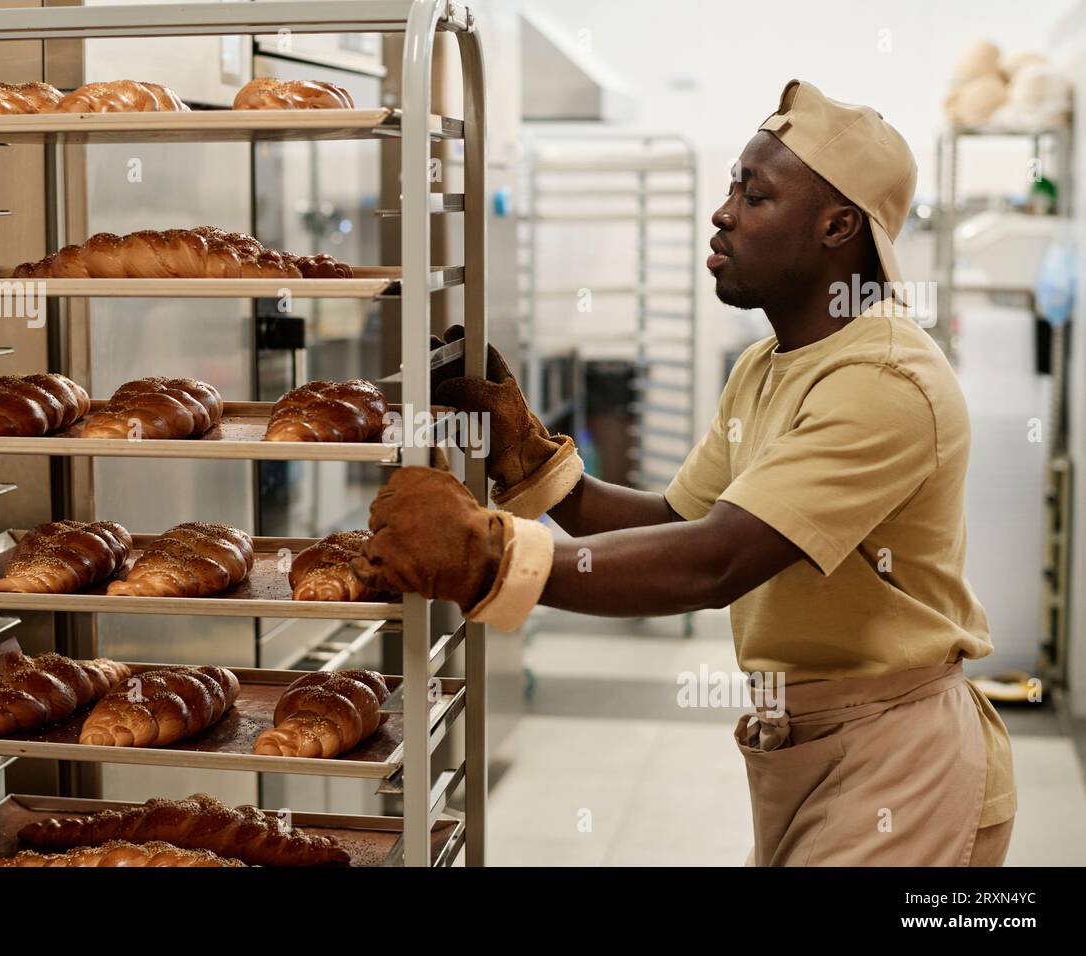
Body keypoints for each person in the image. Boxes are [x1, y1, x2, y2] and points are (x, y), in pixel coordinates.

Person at [351, 79, 1016, 866]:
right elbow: (678, 524)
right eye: (733, 184)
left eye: (755, 195)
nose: (723, 210)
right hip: (803, 744)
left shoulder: (885, 381)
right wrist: (529, 460)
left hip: (900, 765)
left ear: (837, 226)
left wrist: (488, 556)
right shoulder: (767, 366)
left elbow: (716, 563)